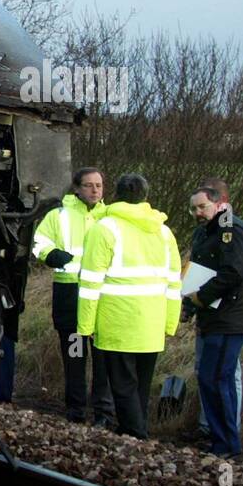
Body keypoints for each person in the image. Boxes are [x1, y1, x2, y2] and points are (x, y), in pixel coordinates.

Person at [76, 174, 181, 440]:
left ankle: (135, 436)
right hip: (152, 323)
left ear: (117, 194)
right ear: (145, 196)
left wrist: (85, 326)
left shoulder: (105, 228)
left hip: (117, 322)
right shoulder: (163, 231)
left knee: (123, 386)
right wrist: (170, 323)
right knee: (140, 387)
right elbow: (174, 283)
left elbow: (90, 283)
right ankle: (135, 432)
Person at [31, 167, 115, 425]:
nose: (95, 190)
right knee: (75, 356)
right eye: (89, 185)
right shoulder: (59, 215)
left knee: (102, 359)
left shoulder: (110, 217)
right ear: (77, 188)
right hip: (70, 297)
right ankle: (76, 410)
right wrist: (50, 255)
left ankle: (102, 413)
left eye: (99, 185)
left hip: (102, 298)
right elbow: (38, 242)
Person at [183, 184, 243, 458]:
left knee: (218, 379)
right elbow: (199, 271)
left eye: (202, 207)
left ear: (218, 204)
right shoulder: (204, 232)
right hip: (212, 318)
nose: (197, 213)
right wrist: (190, 305)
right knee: (209, 378)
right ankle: (219, 441)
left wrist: (200, 297)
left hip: (229, 318)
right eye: (193, 209)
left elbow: (233, 273)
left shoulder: (229, 229)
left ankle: (228, 446)